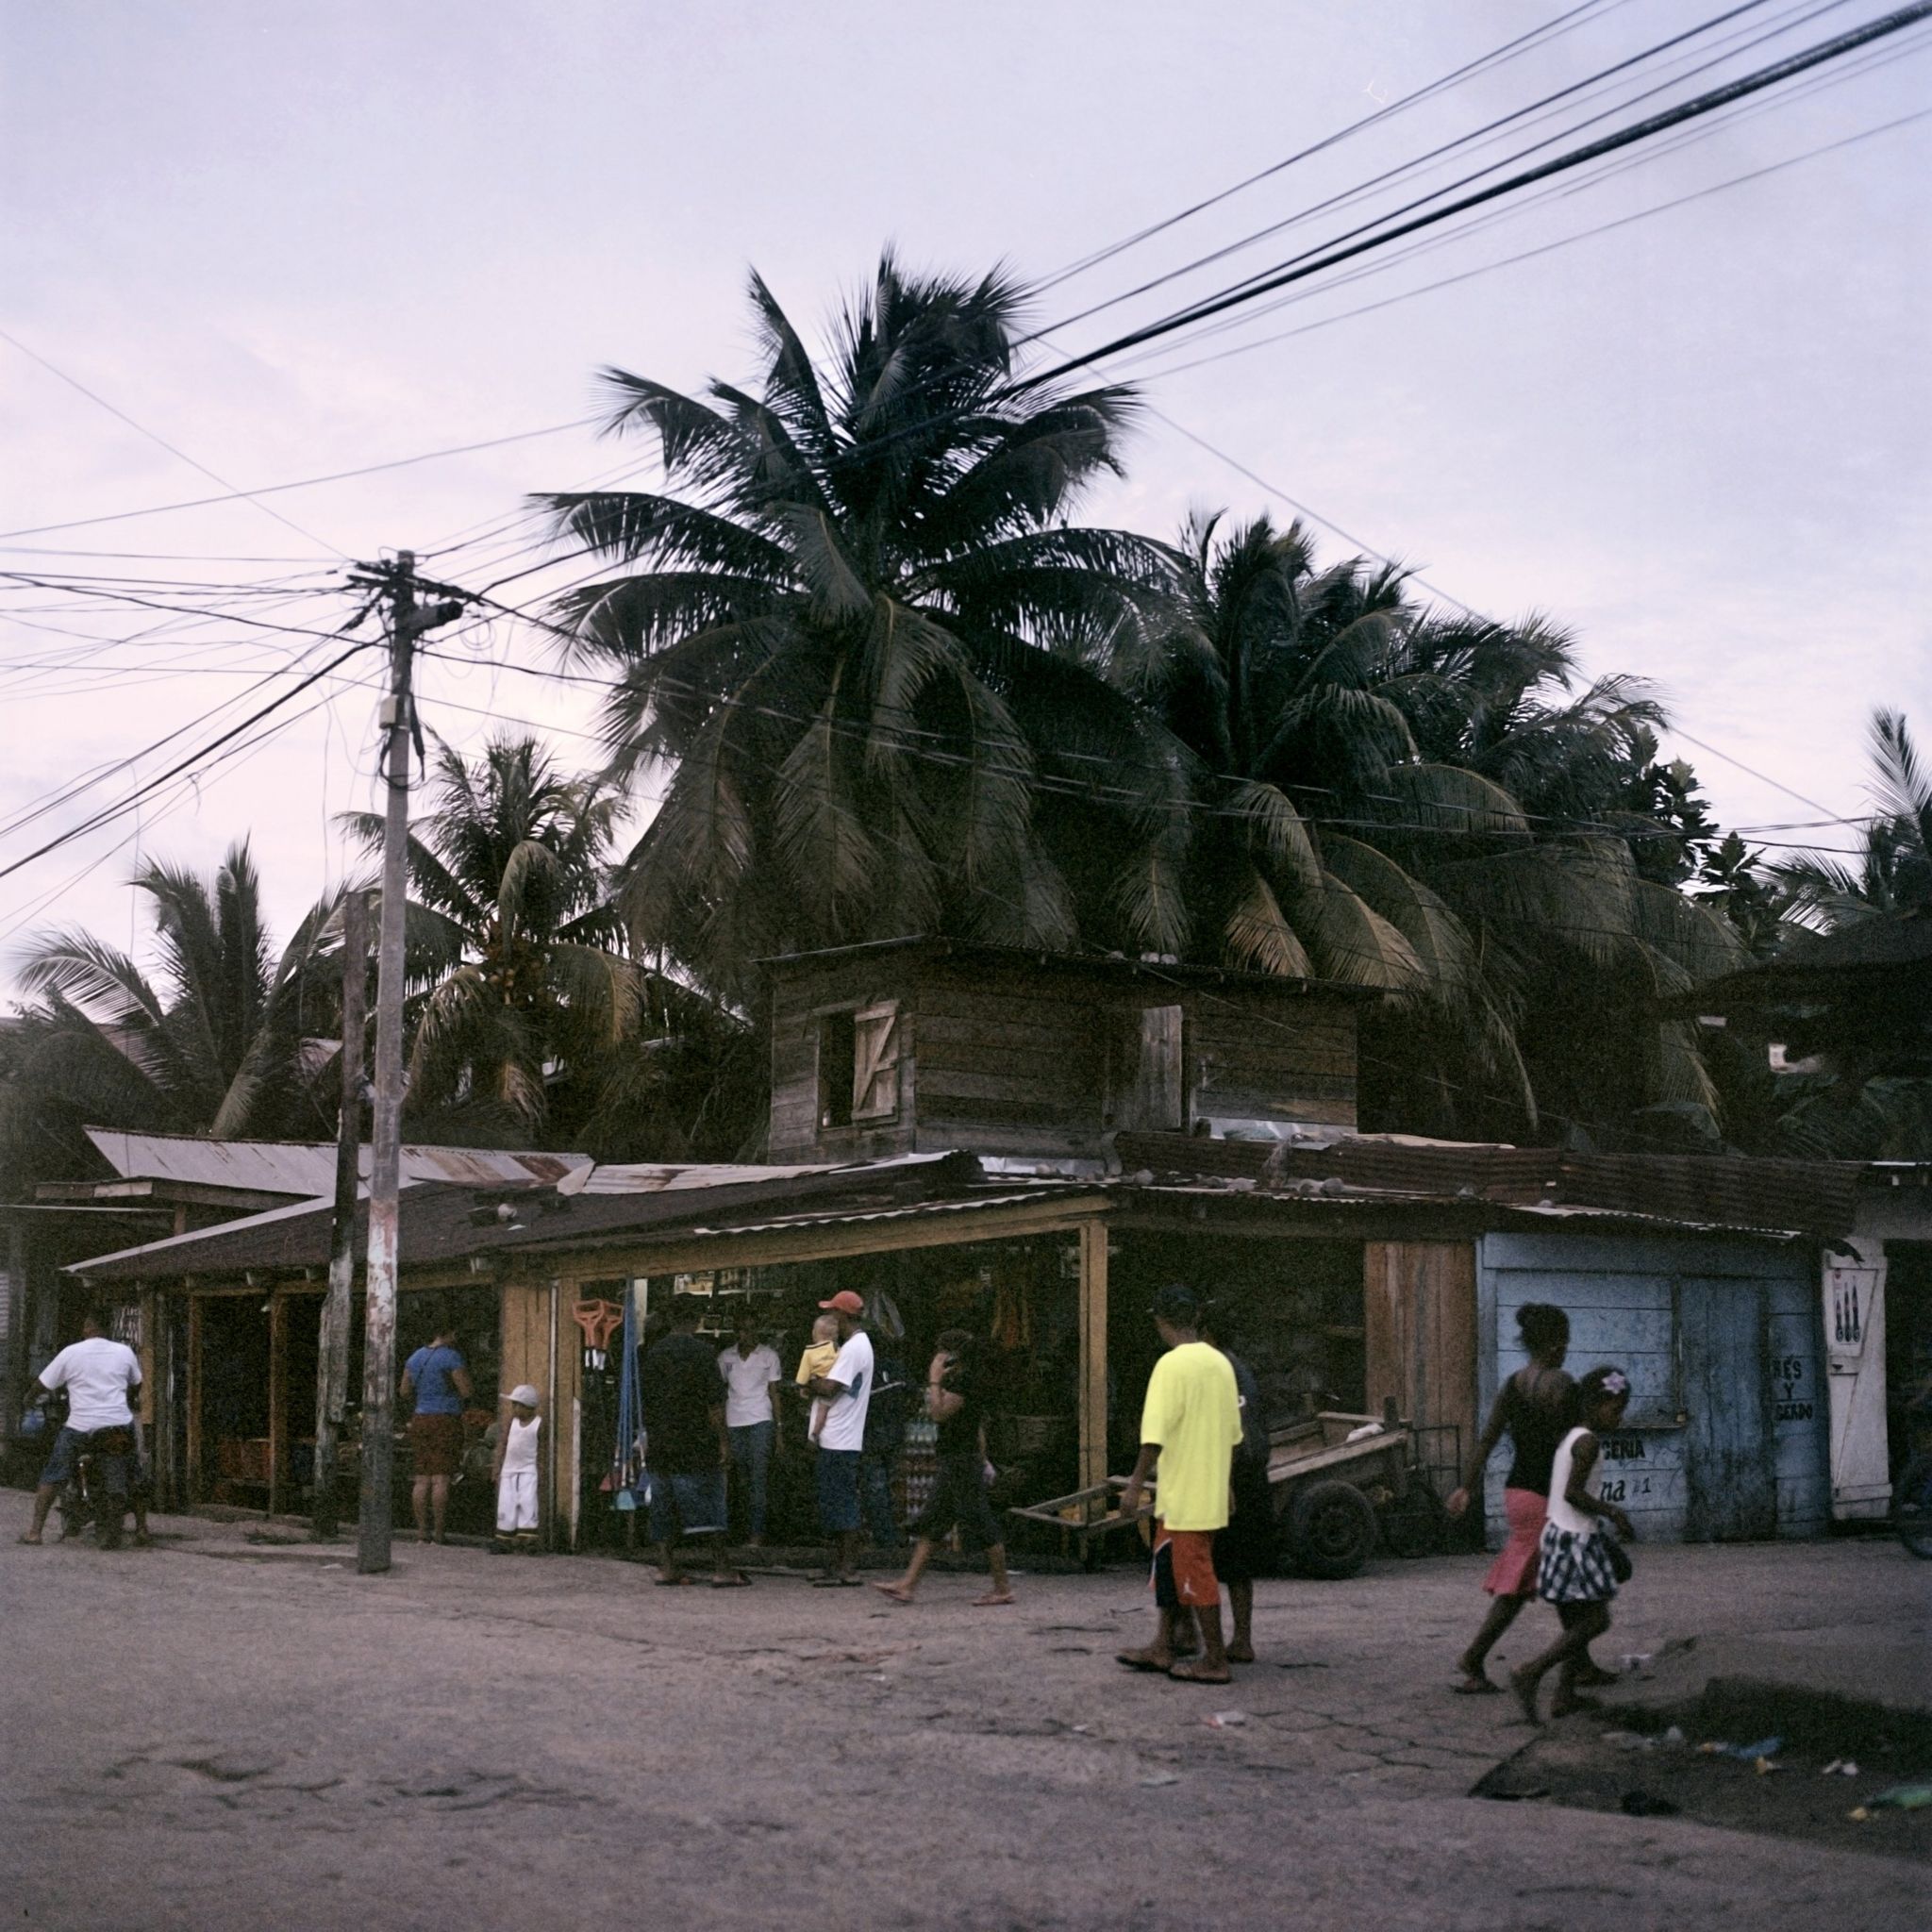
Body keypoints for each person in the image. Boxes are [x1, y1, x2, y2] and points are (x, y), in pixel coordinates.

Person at [1444, 1304, 1612, 1695]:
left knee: (1545, 1581)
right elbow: (1575, 1443)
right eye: (1566, 1342)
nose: (1567, 1349)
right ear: (1556, 1345)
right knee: (1544, 1585)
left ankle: (1579, 1664)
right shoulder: (1564, 1386)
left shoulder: (1513, 1383)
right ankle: (1475, 1657)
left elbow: (1487, 1439)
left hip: (1517, 1491)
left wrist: (1465, 1486)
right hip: (1547, 1496)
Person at [1117, 1284, 1243, 1685]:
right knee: (1168, 1567)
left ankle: (1215, 1659)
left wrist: (1134, 1485)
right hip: (1204, 1488)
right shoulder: (1221, 1363)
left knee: (1194, 1573)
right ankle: (1162, 1645)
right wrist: (1226, 1484)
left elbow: (1153, 1436)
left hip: (1183, 1493)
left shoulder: (1169, 1366)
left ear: (1160, 1322)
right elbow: (1233, 1435)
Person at [1510, 1367, 1637, 1724]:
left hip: (1563, 1534)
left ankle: (1565, 1697)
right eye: (1616, 1409)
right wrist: (1613, 1512)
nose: (1619, 1417)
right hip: (1574, 1539)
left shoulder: (1573, 1437)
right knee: (1595, 1619)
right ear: (1595, 1405)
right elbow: (1573, 1493)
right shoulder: (1588, 1442)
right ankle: (1530, 1672)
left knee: (1576, 1624)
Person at [874, 1329, 1012, 1607]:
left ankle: (1002, 1588)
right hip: (958, 1459)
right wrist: (983, 1459)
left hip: (961, 1462)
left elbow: (938, 1413)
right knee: (933, 1524)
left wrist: (934, 1380)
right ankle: (907, 1585)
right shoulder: (962, 1380)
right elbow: (977, 1429)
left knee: (982, 1524)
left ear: (950, 1355)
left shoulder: (964, 1382)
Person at [639, 1303, 747, 1587]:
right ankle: (721, 1567)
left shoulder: (653, 1353)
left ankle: (666, 1566)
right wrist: (724, 1441)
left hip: (661, 1440)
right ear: (696, 1321)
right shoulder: (702, 1353)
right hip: (695, 1439)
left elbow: (646, 1401)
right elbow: (714, 1404)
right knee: (709, 1503)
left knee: (662, 1505)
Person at [18, 1308, 142, 1549]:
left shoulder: (71, 1353)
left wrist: (26, 1402)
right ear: (109, 1330)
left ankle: (34, 1532)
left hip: (80, 1427)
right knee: (132, 1472)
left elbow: (41, 1385)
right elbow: (137, 1384)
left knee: (53, 1474)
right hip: (117, 1425)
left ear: (88, 1327)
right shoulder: (124, 1351)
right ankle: (142, 1528)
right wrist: (123, 1402)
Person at [1199, 1307, 1271, 1665]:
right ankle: (1240, 1638)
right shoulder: (1238, 1366)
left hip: (1234, 1474)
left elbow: (1232, 1434)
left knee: (1214, 1559)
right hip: (1249, 1471)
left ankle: (1227, 1642)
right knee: (1236, 1563)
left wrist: (1223, 1481)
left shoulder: (1221, 1369)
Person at [801, 1290, 873, 1585]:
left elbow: (830, 1388)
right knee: (836, 1504)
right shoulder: (856, 1346)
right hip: (841, 1437)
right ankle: (839, 1566)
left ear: (843, 1316)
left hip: (840, 1439)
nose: (831, 1317)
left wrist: (807, 1382)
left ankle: (847, 1569)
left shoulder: (854, 1348)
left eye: (833, 1312)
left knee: (841, 1505)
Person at [400, 1317, 475, 1544]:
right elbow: (466, 1391)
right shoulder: (451, 1357)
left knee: (422, 1479)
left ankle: (422, 1533)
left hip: (420, 1417)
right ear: (450, 1333)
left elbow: (404, 1391)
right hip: (444, 1418)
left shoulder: (415, 1357)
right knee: (441, 1479)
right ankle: (439, 1534)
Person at [717, 1313, 782, 1545]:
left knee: (758, 1478)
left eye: (751, 1330)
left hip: (760, 1420)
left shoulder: (768, 1356)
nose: (746, 1335)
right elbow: (720, 1392)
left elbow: (774, 1394)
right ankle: (740, 1530)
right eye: (742, 1330)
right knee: (740, 1480)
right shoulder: (726, 1357)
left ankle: (756, 1534)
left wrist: (779, 1430)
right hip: (734, 1420)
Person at [858, 1342, 910, 1553]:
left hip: (871, 1434)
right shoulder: (896, 1368)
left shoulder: (863, 1369)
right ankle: (893, 1533)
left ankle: (884, 1535)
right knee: (891, 1484)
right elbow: (912, 1396)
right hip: (894, 1432)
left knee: (875, 1486)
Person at [491, 1383, 542, 1552]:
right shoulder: (511, 1423)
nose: (514, 1408)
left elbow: (541, 1450)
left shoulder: (537, 1424)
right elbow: (503, 1444)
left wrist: (541, 1470)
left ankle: (528, 1539)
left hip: (528, 1469)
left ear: (529, 1407)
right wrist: (497, 1466)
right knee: (507, 1502)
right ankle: (504, 1538)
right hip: (509, 1470)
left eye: (517, 1405)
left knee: (527, 1501)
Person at [795, 1312, 841, 1445]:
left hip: (820, 1386)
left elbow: (802, 1377)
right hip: (836, 1384)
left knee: (819, 1410)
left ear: (814, 1333)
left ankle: (814, 1433)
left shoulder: (809, 1352)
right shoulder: (836, 1349)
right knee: (824, 1408)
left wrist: (802, 1387)